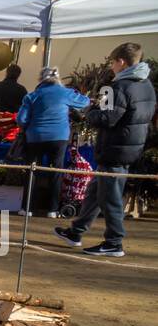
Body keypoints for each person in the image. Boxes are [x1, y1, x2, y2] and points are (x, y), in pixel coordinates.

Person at [55, 43, 156, 257]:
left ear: (121, 62)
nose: (111, 67)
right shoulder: (146, 85)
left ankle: (114, 241)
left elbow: (107, 119)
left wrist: (87, 112)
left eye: (112, 62)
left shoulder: (116, 87)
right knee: (95, 191)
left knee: (110, 197)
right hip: (131, 146)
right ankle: (76, 231)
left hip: (114, 148)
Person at [16, 67, 90, 217]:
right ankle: (53, 209)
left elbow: (21, 119)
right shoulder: (66, 93)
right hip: (59, 137)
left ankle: (27, 209)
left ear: (40, 80)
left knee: (32, 171)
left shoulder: (32, 96)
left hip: (35, 138)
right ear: (58, 79)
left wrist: (31, 125)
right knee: (57, 172)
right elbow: (85, 102)